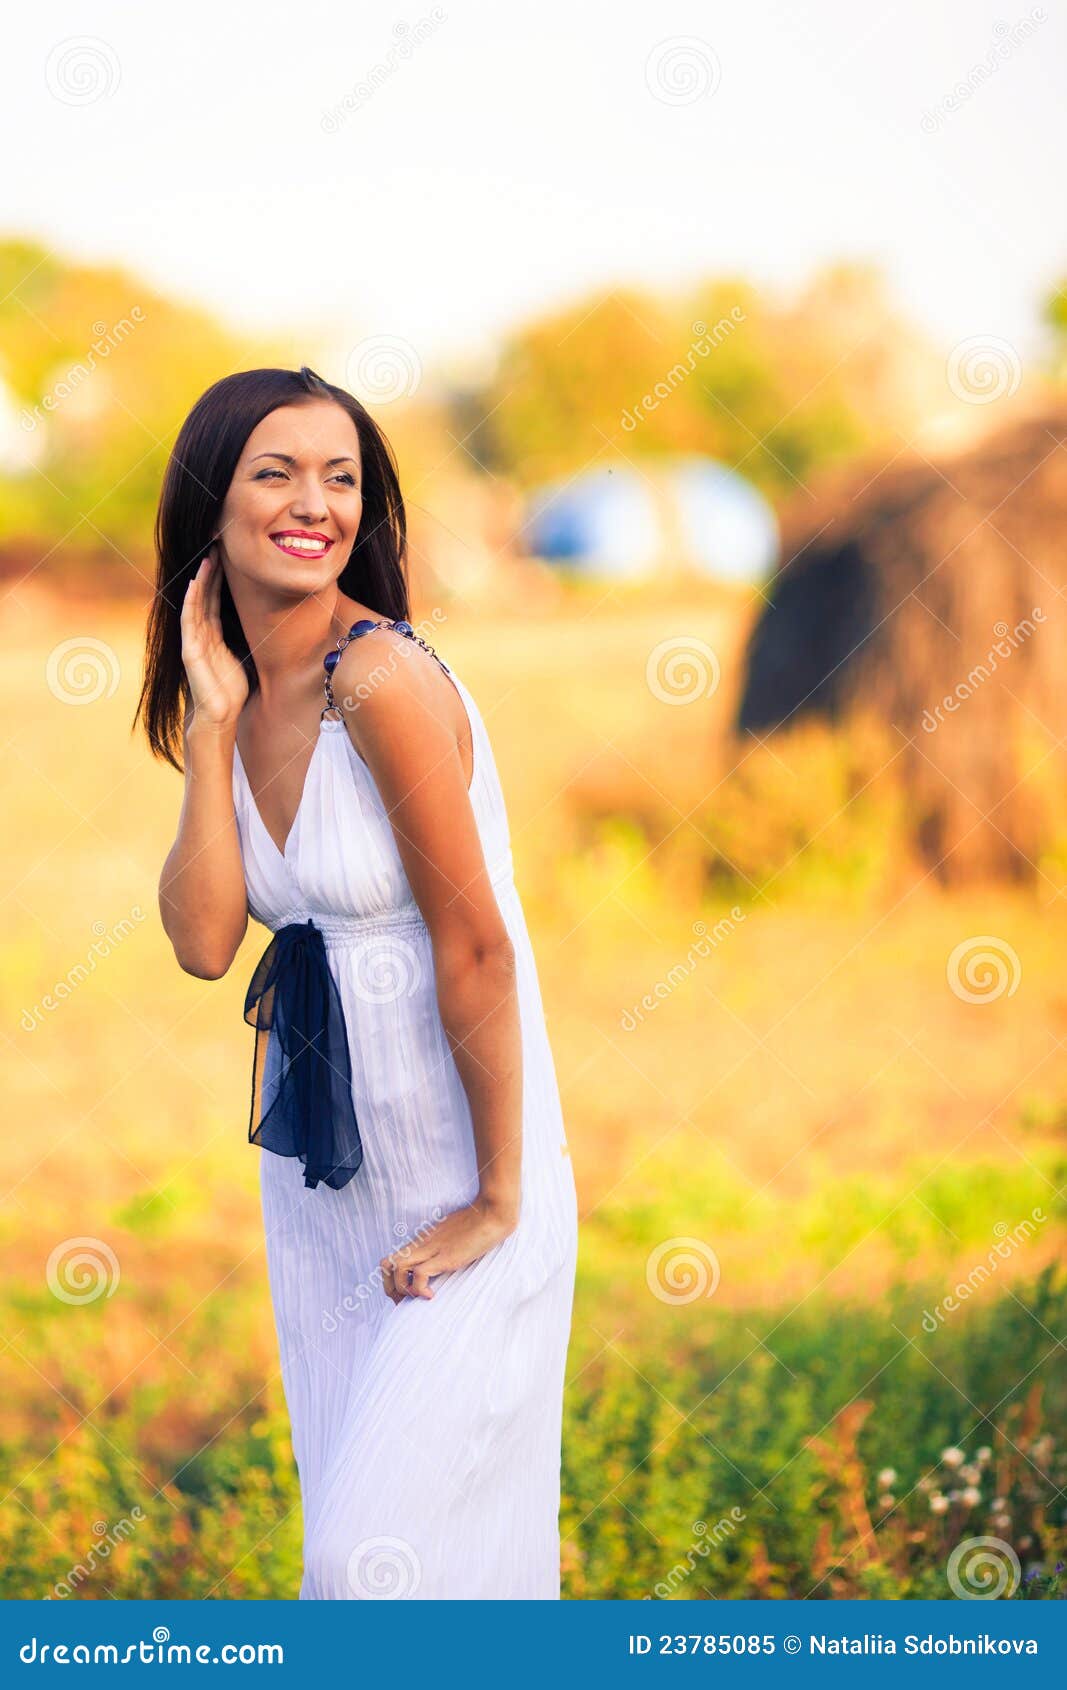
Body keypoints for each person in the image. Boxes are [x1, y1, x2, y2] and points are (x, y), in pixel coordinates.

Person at [137, 365, 579, 1599]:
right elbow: (203, 939)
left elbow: (477, 944)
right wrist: (212, 721)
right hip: (326, 1203)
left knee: (360, 1563)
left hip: (464, 1180)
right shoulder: (243, 687)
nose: (312, 502)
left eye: (340, 476)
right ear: (209, 505)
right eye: (274, 472)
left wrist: (499, 1201)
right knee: (424, 1573)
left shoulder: (379, 680)